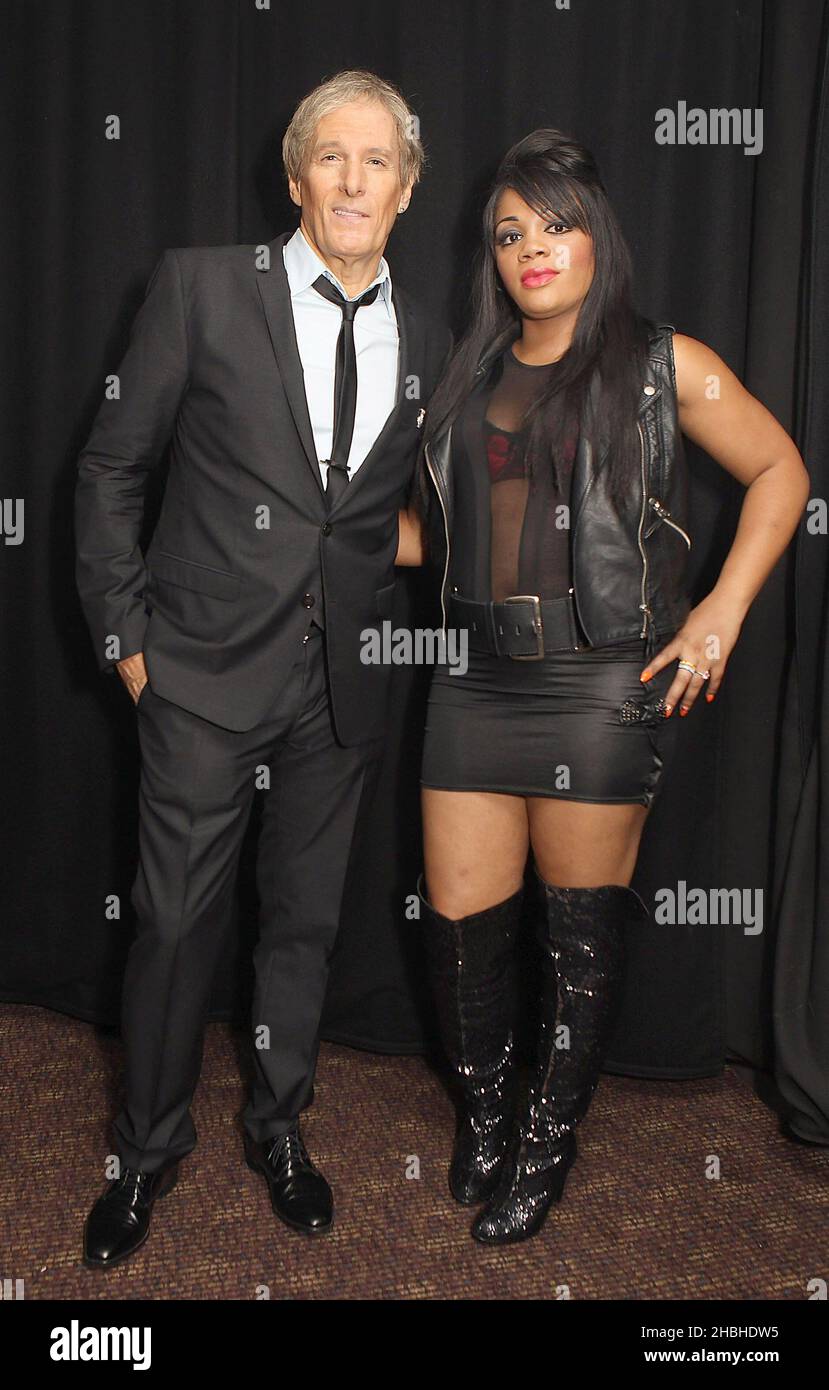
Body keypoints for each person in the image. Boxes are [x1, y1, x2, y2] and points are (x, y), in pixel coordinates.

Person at [399, 128, 808, 1245]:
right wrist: (288, 536)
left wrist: (719, 611)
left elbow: (781, 469)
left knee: (575, 938)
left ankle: (546, 1141)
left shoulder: (662, 361)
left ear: (597, 238)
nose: (532, 248)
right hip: (473, 679)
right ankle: (486, 1112)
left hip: (598, 683)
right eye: (509, 232)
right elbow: (428, 539)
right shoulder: (468, 373)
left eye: (555, 223)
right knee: (459, 927)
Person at [74, 69, 451, 1267]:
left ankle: (279, 1127)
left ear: (403, 191)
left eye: (376, 160)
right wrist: (129, 646)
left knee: (302, 925)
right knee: (178, 924)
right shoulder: (199, 286)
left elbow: (394, 518)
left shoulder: (430, 337)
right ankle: (144, 1151)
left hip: (339, 688)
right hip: (195, 676)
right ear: (297, 180)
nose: (352, 179)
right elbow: (109, 471)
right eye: (330, 158)